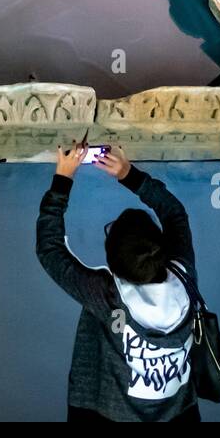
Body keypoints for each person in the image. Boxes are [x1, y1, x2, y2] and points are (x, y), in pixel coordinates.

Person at [35, 140, 201, 422]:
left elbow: (50, 250)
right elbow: (174, 214)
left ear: (112, 263)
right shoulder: (184, 277)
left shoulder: (106, 296)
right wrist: (128, 173)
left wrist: (64, 178)